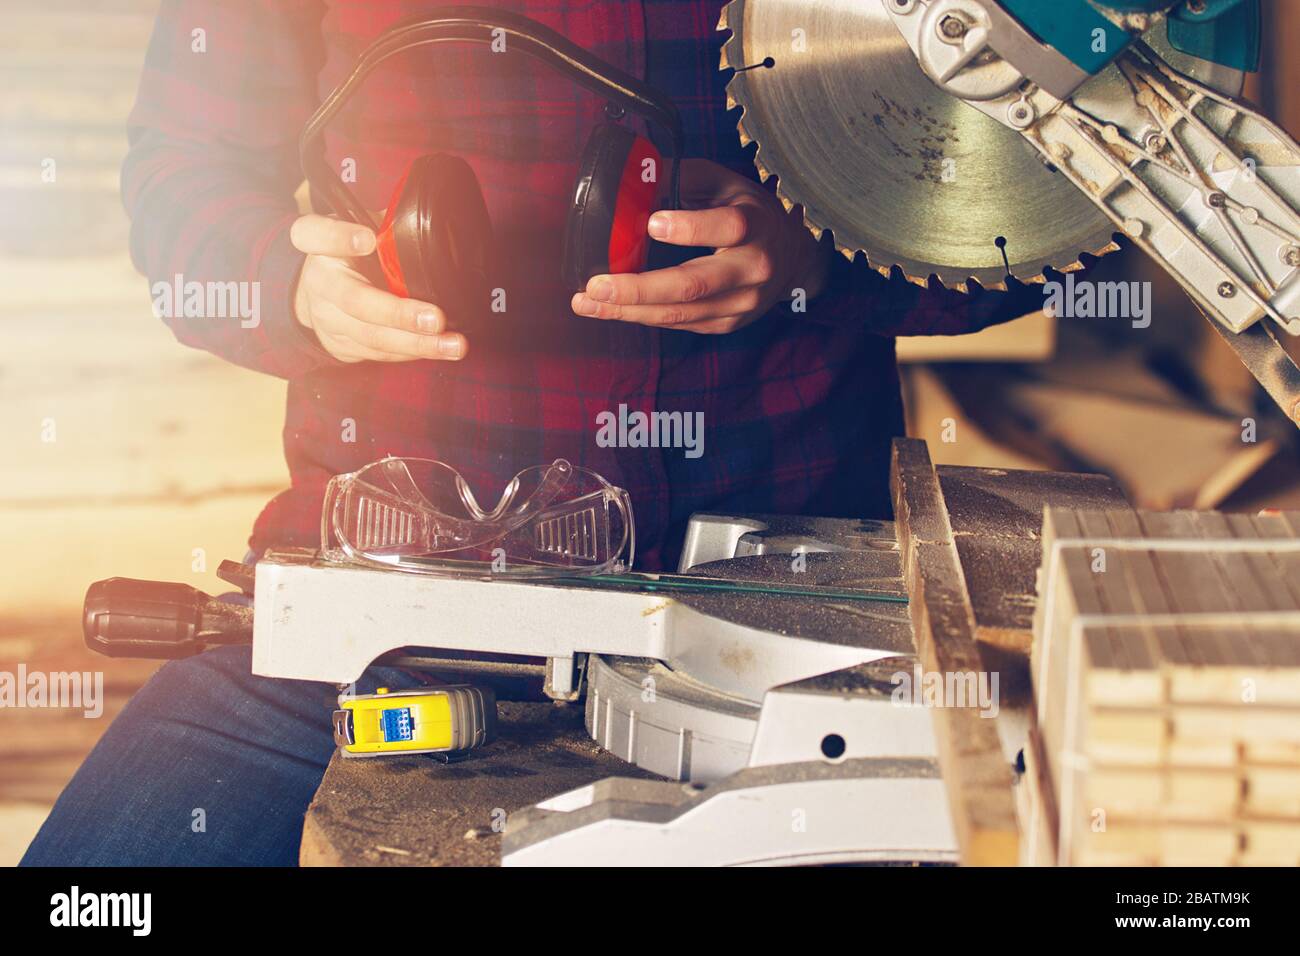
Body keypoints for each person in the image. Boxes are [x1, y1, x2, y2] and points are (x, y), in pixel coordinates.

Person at [22, 0, 1039, 865]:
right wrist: (290, 286)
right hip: (376, 619)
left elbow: (1058, 223)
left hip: (801, 646)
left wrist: (820, 266)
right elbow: (178, 179)